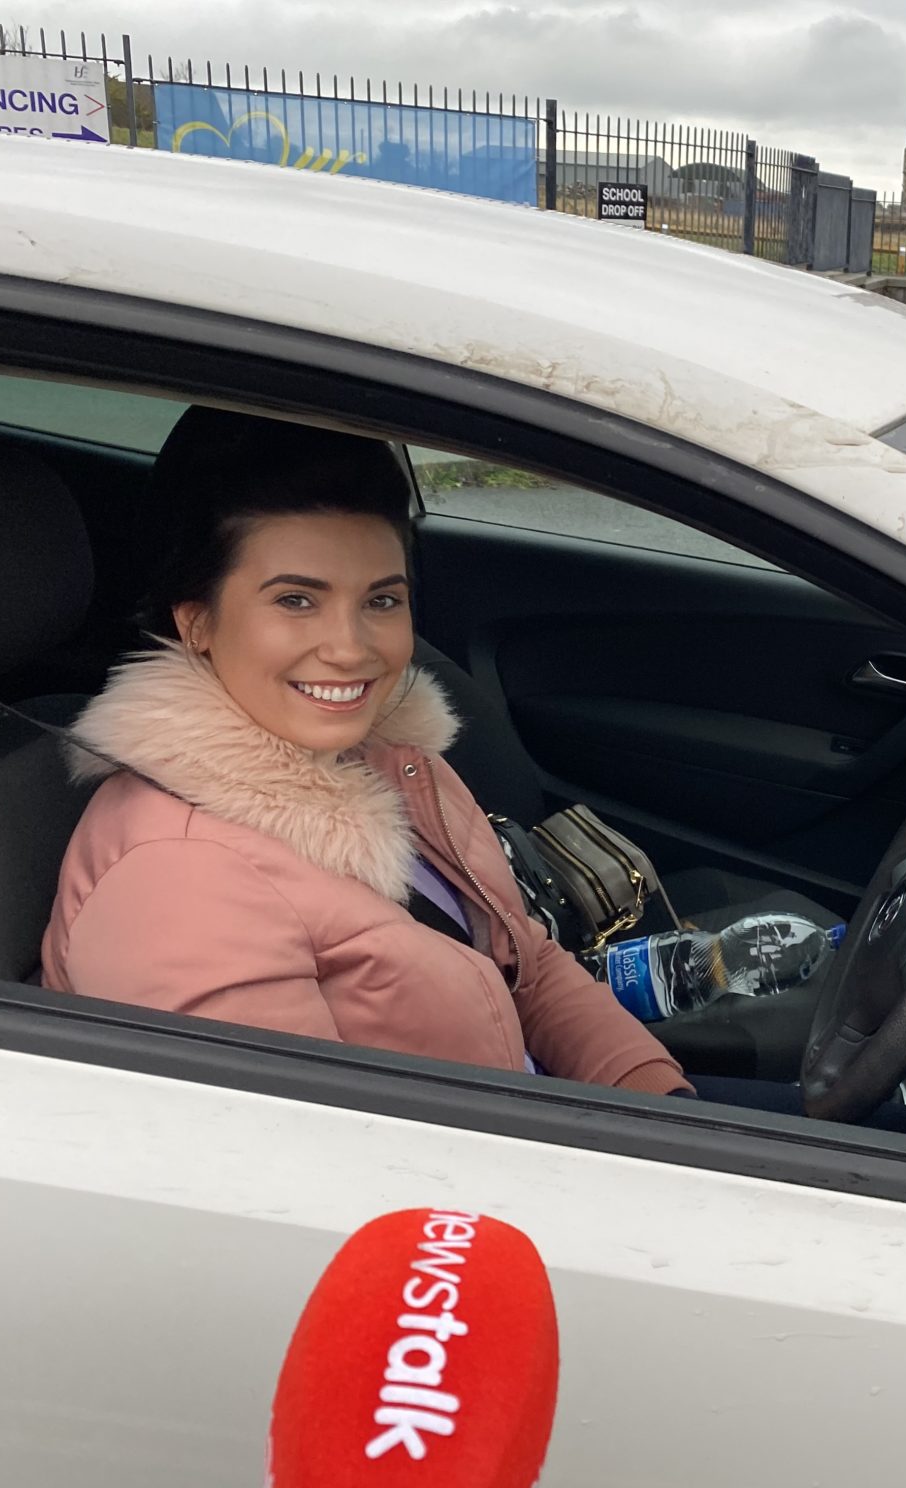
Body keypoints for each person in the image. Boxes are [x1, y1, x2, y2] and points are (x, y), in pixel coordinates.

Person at [40, 416, 692, 1098]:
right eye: (296, 600)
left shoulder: (393, 760)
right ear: (196, 620)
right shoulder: (175, 876)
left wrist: (654, 1095)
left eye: (382, 599)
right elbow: (289, 1165)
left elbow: (525, 961)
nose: (351, 648)